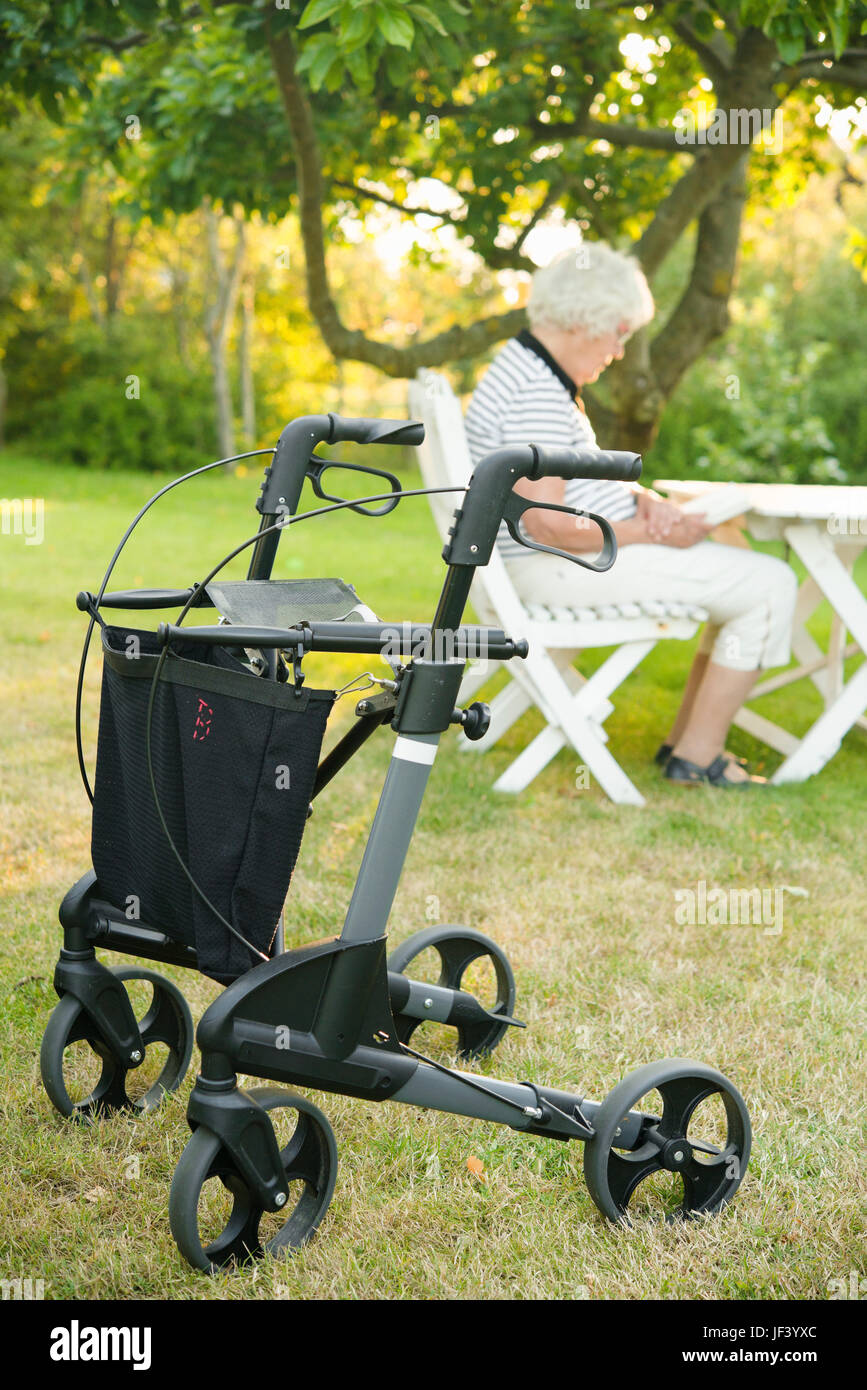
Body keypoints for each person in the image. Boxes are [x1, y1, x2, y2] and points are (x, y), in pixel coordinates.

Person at [464, 243, 798, 788]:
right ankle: (697, 756)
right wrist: (651, 534)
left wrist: (640, 502)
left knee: (740, 562)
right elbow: (545, 523)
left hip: (552, 562)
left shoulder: (530, 372)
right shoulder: (537, 394)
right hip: (554, 566)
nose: (620, 350)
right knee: (771, 584)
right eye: (618, 331)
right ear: (582, 320)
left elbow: (562, 488)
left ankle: (689, 746)